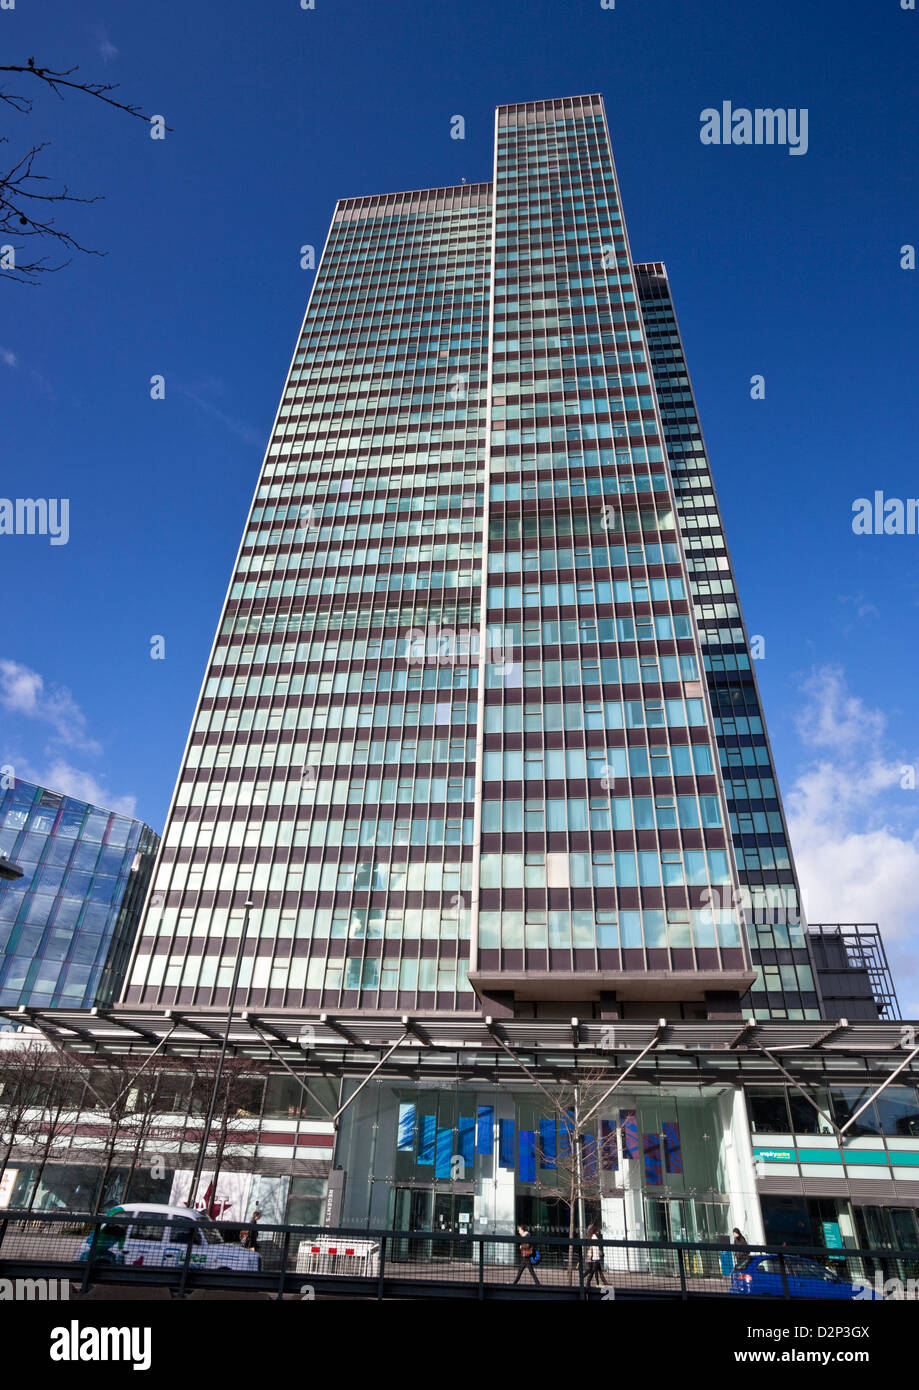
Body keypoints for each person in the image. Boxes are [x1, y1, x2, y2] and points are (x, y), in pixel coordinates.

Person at [584, 1222, 608, 1287]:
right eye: (597, 1231)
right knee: (593, 1271)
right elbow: (595, 1247)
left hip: (596, 1257)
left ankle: (603, 1283)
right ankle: (588, 1282)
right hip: (595, 1257)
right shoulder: (594, 1237)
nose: (598, 1232)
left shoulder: (592, 1236)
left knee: (598, 1271)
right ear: (594, 1231)